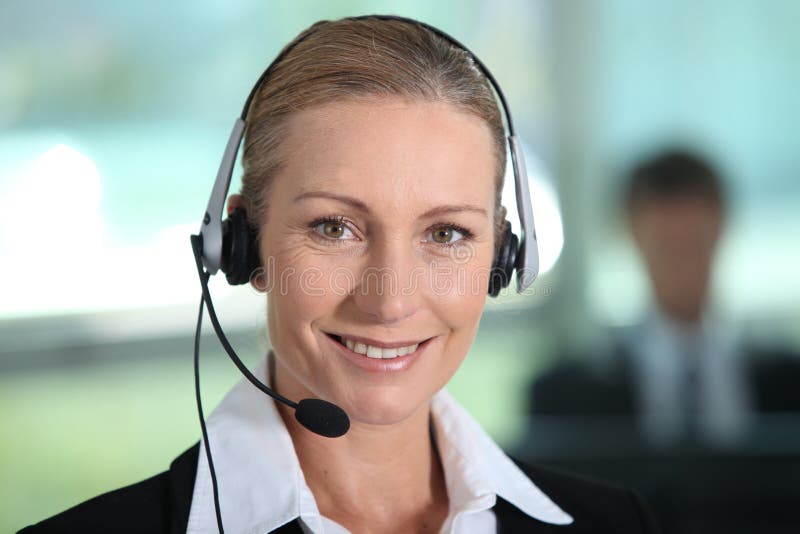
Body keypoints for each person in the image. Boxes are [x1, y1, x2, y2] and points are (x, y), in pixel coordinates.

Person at [21, 16, 658, 533]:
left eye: (446, 234)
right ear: (241, 246)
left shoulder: (615, 523)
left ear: (503, 259)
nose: (389, 301)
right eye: (334, 227)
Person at [529, 149, 800, 448]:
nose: (681, 266)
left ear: (721, 229)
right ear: (632, 236)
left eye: (694, 244)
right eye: (667, 247)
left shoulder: (789, 382)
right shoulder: (566, 395)